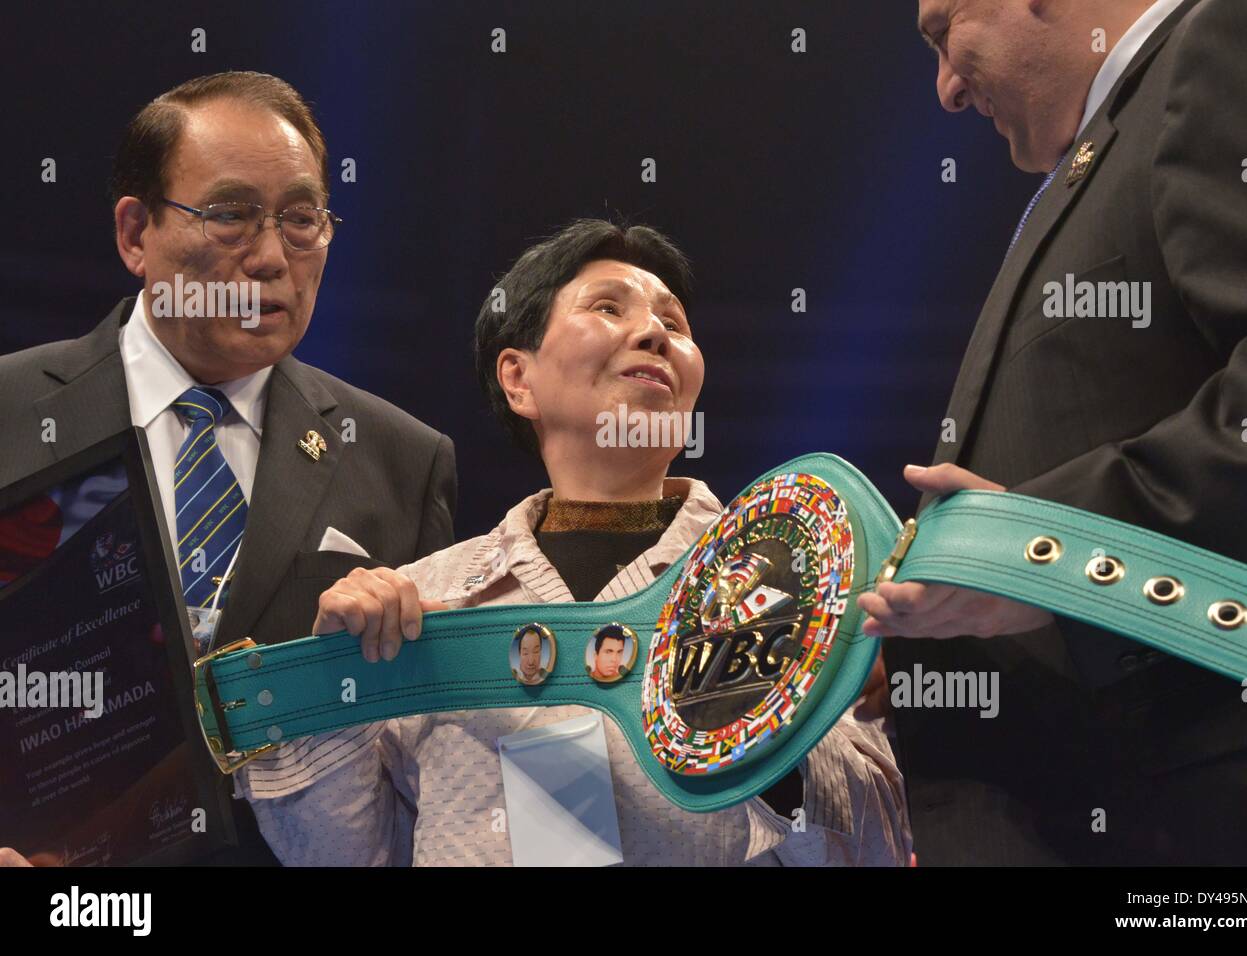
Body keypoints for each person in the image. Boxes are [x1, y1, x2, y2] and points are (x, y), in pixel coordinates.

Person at [236, 220, 912, 866]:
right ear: (519, 379)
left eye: (673, 323)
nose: (653, 332)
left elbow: (876, 850)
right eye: (609, 307)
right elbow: (337, 855)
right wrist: (337, 681)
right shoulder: (423, 600)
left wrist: (769, 731)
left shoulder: (793, 581)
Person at [862, 0, 1247, 864]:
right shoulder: (1101, 154)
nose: (946, 88)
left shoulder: (1217, 42)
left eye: (943, 31)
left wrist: (1046, 553)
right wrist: (918, 652)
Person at [0, 71, 456, 867]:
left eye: (302, 219)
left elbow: (418, 757)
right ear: (136, 234)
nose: (272, 258)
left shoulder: (402, 460)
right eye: (232, 216)